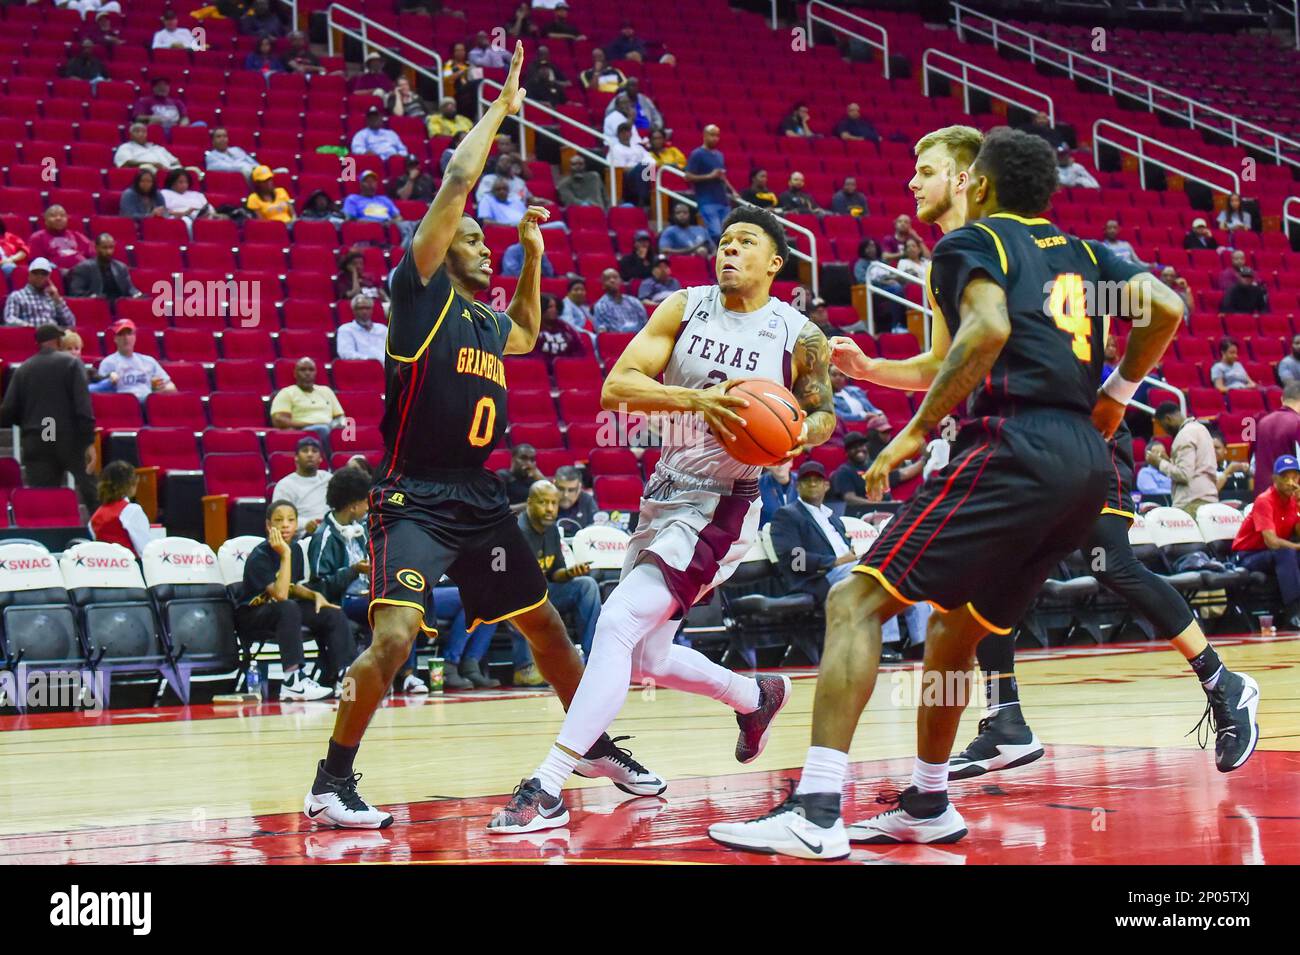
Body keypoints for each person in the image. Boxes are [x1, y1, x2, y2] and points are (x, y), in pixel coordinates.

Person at [707, 124, 1210, 856]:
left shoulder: (970, 247)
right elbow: (1159, 305)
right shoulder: (1072, 252)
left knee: (855, 598)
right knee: (952, 628)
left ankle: (815, 809)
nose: (912, 182)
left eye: (926, 168)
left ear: (972, 180)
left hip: (1015, 444)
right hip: (1084, 458)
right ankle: (930, 798)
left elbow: (987, 332)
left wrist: (916, 429)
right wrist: (1119, 392)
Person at [305, 44, 657, 828]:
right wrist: (500, 109)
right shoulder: (419, 295)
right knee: (394, 637)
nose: (479, 243)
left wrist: (532, 257)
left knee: (548, 625)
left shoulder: (485, 322)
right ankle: (332, 778)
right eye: (473, 239)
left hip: (479, 496)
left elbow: (529, 330)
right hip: (414, 499)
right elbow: (459, 182)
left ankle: (592, 742)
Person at [488, 203, 837, 834]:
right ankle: (755, 697)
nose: (729, 250)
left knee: (616, 623)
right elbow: (616, 388)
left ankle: (547, 783)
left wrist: (794, 437)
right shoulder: (683, 307)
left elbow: (822, 415)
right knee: (647, 654)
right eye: (724, 240)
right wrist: (694, 398)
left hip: (725, 502)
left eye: (746, 242)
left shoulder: (798, 334)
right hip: (666, 490)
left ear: (776, 263)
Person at [771, 461, 919, 662]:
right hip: (818, 577)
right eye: (806, 481)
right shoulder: (788, 515)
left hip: (848, 568)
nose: (812, 484)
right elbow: (794, 558)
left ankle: (921, 643)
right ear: (798, 486)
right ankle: (883, 644)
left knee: (904, 574)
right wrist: (835, 561)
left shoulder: (834, 518)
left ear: (826, 486)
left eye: (817, 480)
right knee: (875, 575)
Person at [236, 500, 352, 702]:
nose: (285, 524)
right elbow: (280, 594)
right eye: (278, 520)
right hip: (251, 616)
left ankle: (346, 679)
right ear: (268, 525)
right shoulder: (260, 555)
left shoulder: (296, 549)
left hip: (281, 613)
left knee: (331, 612)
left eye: (291, 520)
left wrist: (314, 595)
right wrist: (285, 555)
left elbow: (292, 586)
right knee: (287, 607)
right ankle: (292, 681)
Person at [0, 323, 96, 510]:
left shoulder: (23, 369)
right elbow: (83, 407)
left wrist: (28, 422)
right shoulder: (72, 363)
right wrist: (89, 440)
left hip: (38, 438)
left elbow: (8, 413)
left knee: (44, 499)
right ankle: (103, 533)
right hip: (69, 438)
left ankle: (48, 534)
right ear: (58, 341)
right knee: (90, 490)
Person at [518, 481, 603, 657]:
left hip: (544, 595)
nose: (550, 509)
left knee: (587, 585)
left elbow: (555, 573)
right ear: (530, 503)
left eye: (553, 503)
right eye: (543, 502)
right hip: (519, 599)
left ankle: (594, 657)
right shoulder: (516, 532)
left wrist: (571, 572)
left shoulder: (552, 530)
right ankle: (525, 665)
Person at [1231, 455, 1300, 628]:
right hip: (1248, 556)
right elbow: (1272, 542)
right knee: (1286, 552)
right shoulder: (1264, 500)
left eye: (1294, 476)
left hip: (1273, 555)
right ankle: (1294, 613)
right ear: (1275, 478)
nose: (1290, 481)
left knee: (1288, 553)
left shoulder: (1293, 501)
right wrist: (1297, 546)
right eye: (1285, 477)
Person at [1147, 401, 1219, 516]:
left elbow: (1184, 474)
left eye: (1162, 426)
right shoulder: (1201, 429)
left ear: (1168, 419)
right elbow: (1196, 467)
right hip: (1210, 500)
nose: (1165, 431)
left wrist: (1159, 463)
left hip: (1191, 503)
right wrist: (1169, 462)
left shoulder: (1184, 435)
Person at [831, 430, 918, 515]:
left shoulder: (876, 466)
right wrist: (882, 505)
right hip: (862, 514)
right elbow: (850, 499)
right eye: (853, 447)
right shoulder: (844, 471)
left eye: (861, 445)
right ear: (847, 452)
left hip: (888, 511)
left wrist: (924, 460)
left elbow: (901, 474)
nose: (859, 449)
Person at [270, 358, 345, 455]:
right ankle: (329, 461)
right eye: (303, 370)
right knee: (321, 429)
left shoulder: (326, 391)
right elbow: (279, 420)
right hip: (303, 432)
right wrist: (309, 424)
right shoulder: (287, 393)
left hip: (329, 428)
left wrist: (338, 424)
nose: (307, 373)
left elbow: (340, 416)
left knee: (351, 429)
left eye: (311, 370)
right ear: (295, 374)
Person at [98, 319, 175, 402]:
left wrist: (155, 390)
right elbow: (100, 393)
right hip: (122, 405)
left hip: (147, 404)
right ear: (115, 339)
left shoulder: (149, 361)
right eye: (121, 334)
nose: (126, 338)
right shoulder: (108, 363)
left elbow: (172, 388)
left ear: (135, 337)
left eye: (129, 334)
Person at [90, 460, 152, 557]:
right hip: (129, 568)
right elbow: (146, 550)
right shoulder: (132, 511)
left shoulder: (95, 516)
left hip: (105, 568)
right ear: (131, 483)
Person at [684, 125, 735, 242]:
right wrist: (709, 176)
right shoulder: (697, 154)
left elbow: (722, 176)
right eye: (712, 135)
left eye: (717, 135)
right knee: (716, 232)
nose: (715, 138)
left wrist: (733, 191)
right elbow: (688, 176)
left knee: (727, 233)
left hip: (722, 199)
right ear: (704, 135)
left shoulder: (719, 155)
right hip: (707, 200)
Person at [272, 436, 332, 534]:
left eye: (314, 451)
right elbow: (280, 517)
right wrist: (306, 524)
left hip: (330, 530)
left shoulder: (329, 479)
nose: (310, 454)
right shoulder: (285, 485)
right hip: (302, 535)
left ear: (321, 458)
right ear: (296, 457)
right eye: (305, 451)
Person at [3, 258, 76, 328]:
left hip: (54, 337)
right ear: (29, 275)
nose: (39, 276)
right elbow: (10, 319)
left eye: (44, 274)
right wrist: (33, 328)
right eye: (35, 273)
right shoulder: (17, 296)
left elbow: (71, 323)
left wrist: (57, 300)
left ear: (48, 277)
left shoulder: (53, 297)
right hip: (30, 336)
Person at [65, 234, 139, 303]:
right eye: (104, 248)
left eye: (111, 247)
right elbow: (76, 293)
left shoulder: (120, 267)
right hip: (95, 308)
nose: (108, 252)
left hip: (118, 306)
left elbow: (130, 289)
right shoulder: (83, 268)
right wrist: (95, 298)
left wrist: (138, 295)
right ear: (96, 248)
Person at [343, 171, 411, 240]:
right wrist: (379, 224)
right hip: (369, 229)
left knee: (413, 226)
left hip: (391, 227)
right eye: (367, 182)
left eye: (373, 182)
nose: (371, 184)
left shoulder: (384, 199)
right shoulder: (353, 199)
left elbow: (399, 217)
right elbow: (351, 221)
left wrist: (390, 223)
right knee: (410, 232)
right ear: (360, 185)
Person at [28, 207, 94, 274]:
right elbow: (38, 263)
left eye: (62, 216)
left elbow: (94, 254)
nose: (58, 218)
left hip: (84, 272)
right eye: (53, 216)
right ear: (45, 220)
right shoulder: (38, 237)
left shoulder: (77, 236)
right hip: (58, 274)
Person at [1254, 382, 1300, 478]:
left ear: (1282, 399)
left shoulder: (1261, 422)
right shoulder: (1297, 422)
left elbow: (1252, 462)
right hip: (1290, 489)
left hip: (1263, 489)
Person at [607, 123, 653, 205]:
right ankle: (643, 200)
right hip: (626, 178)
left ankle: (653, 194)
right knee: (642, 168)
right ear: (618, 135)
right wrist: (638, 167)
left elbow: (650, 160)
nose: (625, 134)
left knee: (651, 167)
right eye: (622, 132)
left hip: (643, 172)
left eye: (627, 131)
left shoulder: (638, 147)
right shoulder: (615, 149)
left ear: (631, 133)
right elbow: (620, 169)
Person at [592, 267, 648, 332]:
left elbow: (645, 324)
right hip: (617, 340)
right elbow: (602, 334)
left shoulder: (634, 302)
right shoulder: (600, 306)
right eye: (607, 279)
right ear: (603, 285)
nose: (612, 280)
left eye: (615, 277)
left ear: (621, 281)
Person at [336, 294, 388, 363]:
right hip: (364, 368)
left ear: (372, 310)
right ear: (353, 310)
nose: (364, 311)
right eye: (360, 308)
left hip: (389, 369)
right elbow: (346, 354)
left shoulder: (383, 329)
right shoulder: (345, 329)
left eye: (367, 308)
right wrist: (373, 361)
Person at [535, 293, 585, 362]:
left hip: (566, 368)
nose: (555, 310)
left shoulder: (566, 328)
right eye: (550, 307)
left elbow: (579, 350)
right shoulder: (532, 328)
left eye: (556, 307)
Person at [114, 124, 180, 171]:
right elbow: (126, 163)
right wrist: (152, 164)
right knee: (147, 167)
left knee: (185, 169)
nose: (141, 134)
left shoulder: (157, 148)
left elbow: (175, 161)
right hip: (145, 174)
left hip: (168, 173)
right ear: (130, 135)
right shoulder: (126, 147)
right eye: (137, 131)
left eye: (143, 132)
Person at [496, 443, 543, 507]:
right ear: (513, 459)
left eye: (532, 460)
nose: (529, 463)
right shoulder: (503, 476)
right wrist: (530, 505)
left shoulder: (536, 479)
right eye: (523, 458)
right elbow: (500, 509)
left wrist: (542, 479)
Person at [554, 465, 597, 532]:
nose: (566, 495)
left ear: (579, 488)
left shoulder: (588, 502)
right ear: (554, 485)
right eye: (561, 489)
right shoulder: (545, 500)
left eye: (571, 490)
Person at [758, 461, 799, 527]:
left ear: (791, 462)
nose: (780, 465)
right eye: (776, 461)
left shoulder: (803, 483)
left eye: (783, 460)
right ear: (767, 465)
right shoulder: (758, 486)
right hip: (767, 534)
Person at [1214, 433, 1252, 504]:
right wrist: (1227, 471)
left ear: (1225, 450)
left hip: (1243, 504)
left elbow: (1251, 490)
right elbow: (1212, 492)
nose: (1213, 451)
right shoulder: (1206, 470)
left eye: (1217, 448)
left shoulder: (1236, 466)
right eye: (1210, 448)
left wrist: (1249, 472)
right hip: (1219, 506)